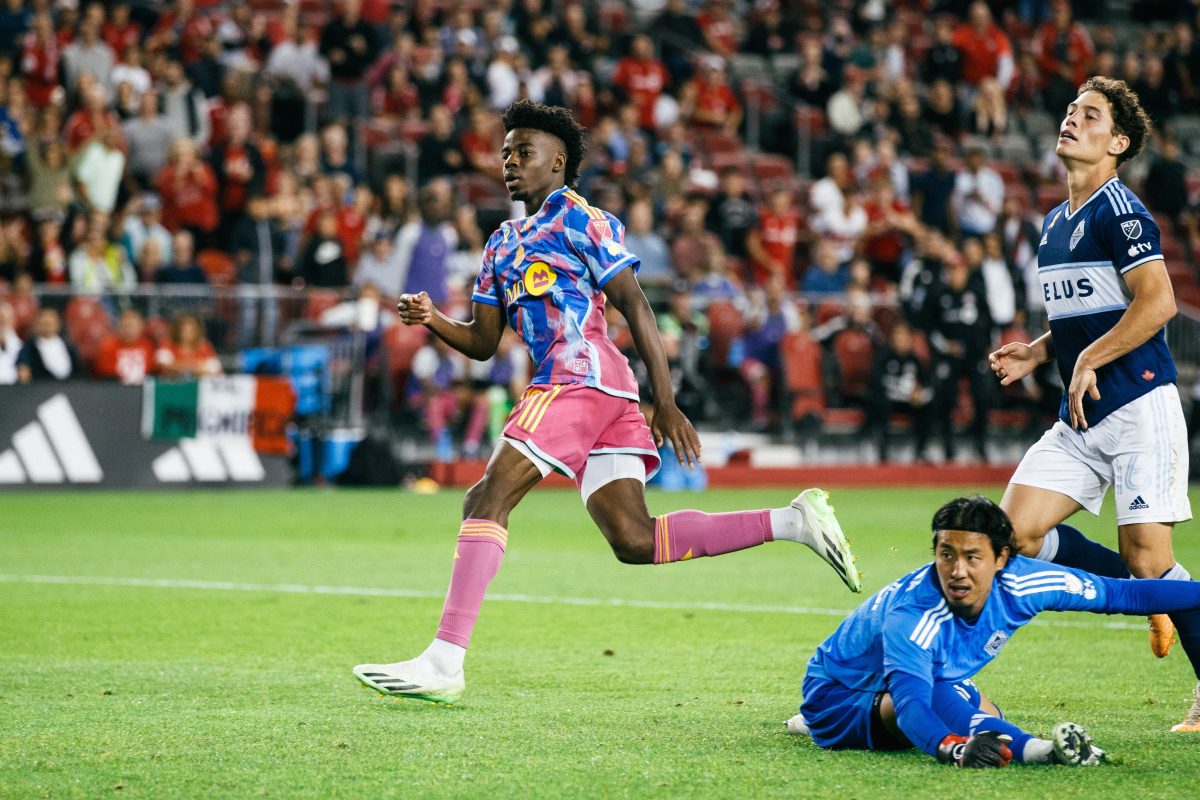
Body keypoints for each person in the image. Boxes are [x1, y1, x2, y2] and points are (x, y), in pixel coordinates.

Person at [353, 100, 862, 704]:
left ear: (559, 162)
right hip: (601, 390)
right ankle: (792, 521)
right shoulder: (500, 244)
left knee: (485, 497)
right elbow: (485, 343)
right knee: (634, 540)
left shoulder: (582, 220)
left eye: (525, 152)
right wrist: (435, 319)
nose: (510, 162)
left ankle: (444, 661)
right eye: (506, 153)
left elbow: (636, 305)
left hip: (581, 379)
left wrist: (666, 401)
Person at [988, 76, 1200, 732]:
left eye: (1091, 115)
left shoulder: (1123, 211)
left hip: (1139, 405)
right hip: (1080, 416)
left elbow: (1157, 303)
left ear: (1119, 142)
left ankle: (1168, 604)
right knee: (1012, 533)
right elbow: (1089, 313)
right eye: (1071, 110)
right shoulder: (1054, 222)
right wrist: (1039, 349)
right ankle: (1156, 598)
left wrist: (1084, 359)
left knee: (1146, 557)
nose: (1071, 120)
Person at [789, 495, 1200, 766]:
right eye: (945, 554)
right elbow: (913, 705)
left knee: (986, 715)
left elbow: (1124, 595)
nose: (956, 570)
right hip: (837, 693)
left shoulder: (1026, 583)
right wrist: (953, 748)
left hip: (921, 676)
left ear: (1002, 558)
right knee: (936, 708)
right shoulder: (912, 616)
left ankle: (806, 724)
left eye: (972, 556)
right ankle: (1043, 751)